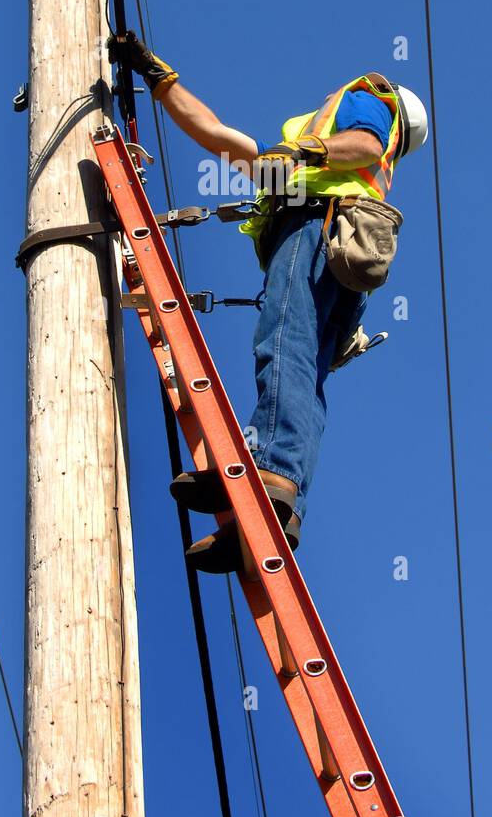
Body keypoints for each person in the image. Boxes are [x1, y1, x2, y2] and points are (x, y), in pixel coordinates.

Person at [107, 31, 428, 573]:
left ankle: (272, 473)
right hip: (341, 252)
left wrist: (306, 148)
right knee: (303, 371)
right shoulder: (306, 169)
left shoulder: (369, 97)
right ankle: (274, 505)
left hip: (317, 229)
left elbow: (366, 145)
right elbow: (228, 143)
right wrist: (162, 82)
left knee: (283, 346)